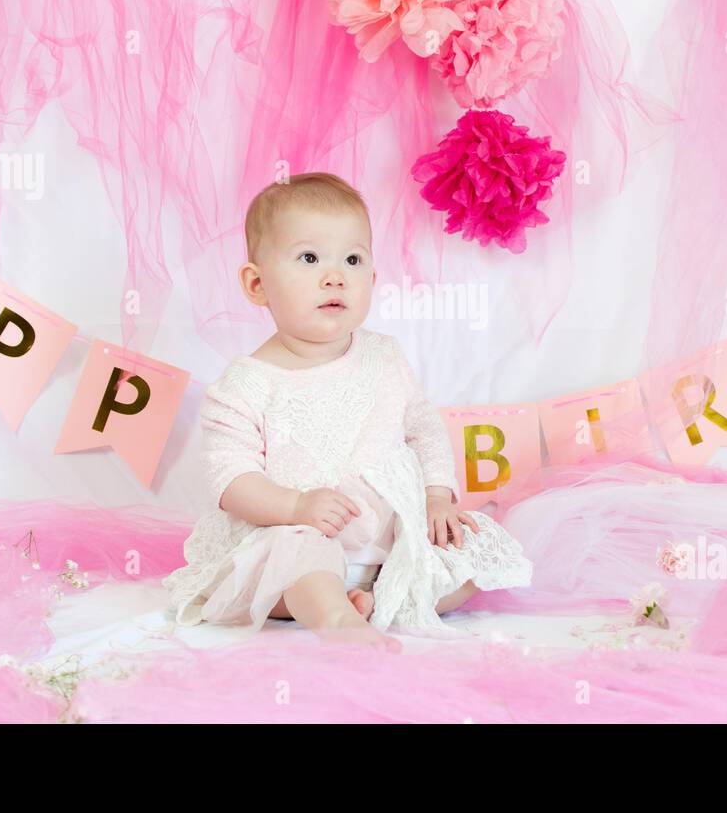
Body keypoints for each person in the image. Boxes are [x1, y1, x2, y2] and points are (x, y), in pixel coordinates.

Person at [162, 172, 533, 651]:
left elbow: (423, 429)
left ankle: (381, 598)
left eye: (353, 259)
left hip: (386, 541)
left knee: (472, 555)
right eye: (309, 258)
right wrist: (296, 506)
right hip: (296, 546)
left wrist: (438, 496)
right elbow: (231, 482)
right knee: (297, 559)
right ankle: (336, 617)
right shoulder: (245, 384)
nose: (335, 275)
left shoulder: (384, 357)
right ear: (257, 284)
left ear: (372, 279)